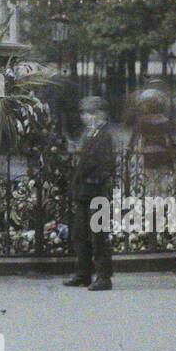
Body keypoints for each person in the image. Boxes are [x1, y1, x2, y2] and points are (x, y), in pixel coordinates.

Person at [63, 96, 117, 291]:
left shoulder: (106, 135)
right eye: (84, 113)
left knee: (99, 235)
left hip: (98, 190)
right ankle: (83, 272)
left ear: (100, 114)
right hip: (85, 191)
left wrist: (92, 177)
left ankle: (103, 276)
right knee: (80, 233)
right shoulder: (90, 134)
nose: (85, 117)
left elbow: (106, 163)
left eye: (89, 113)